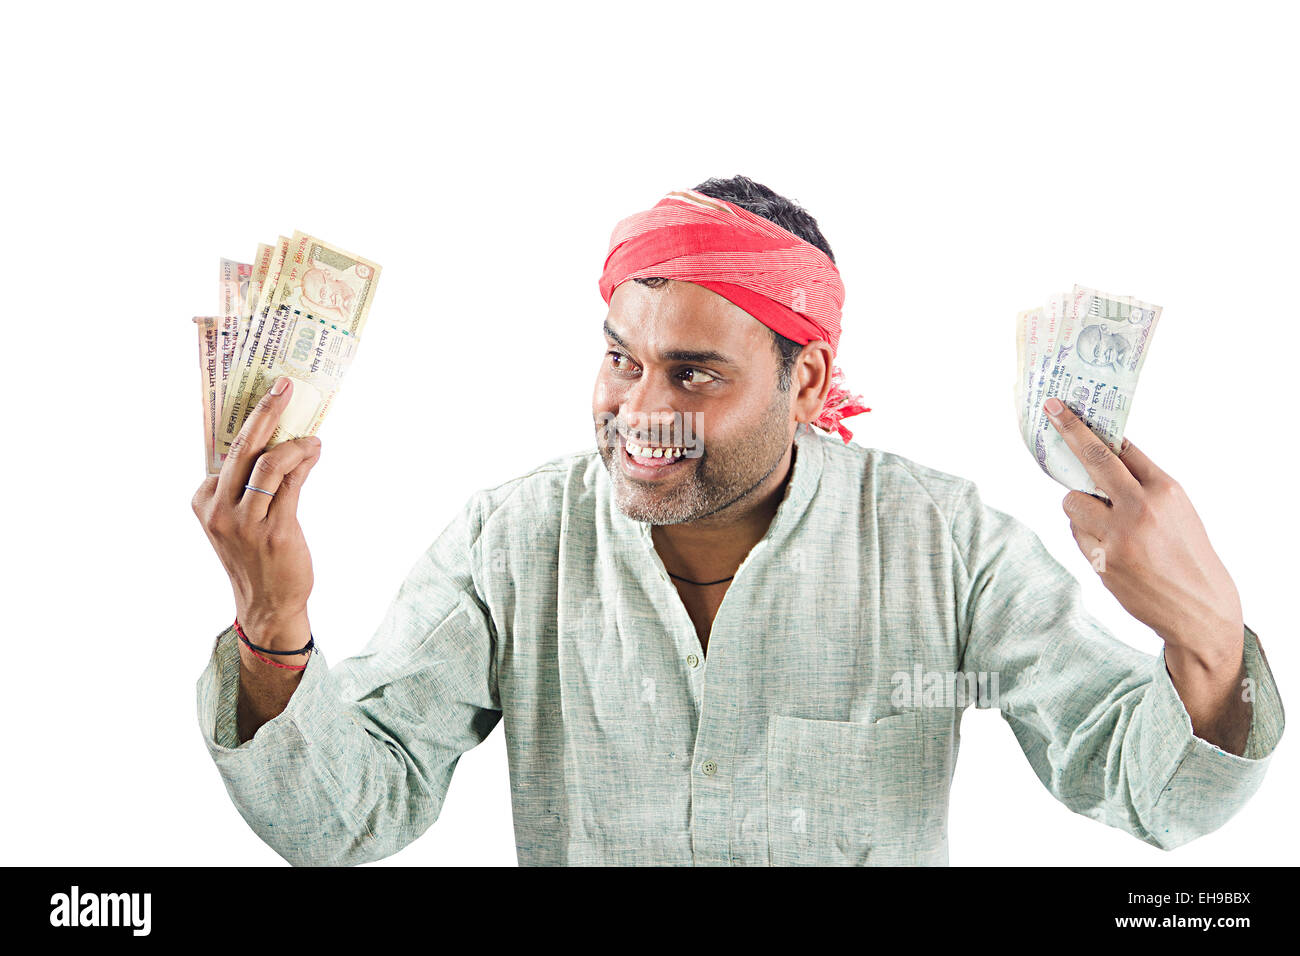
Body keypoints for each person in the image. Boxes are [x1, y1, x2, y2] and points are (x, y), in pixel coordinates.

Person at [191, 175, 1283, 866]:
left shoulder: (942, 543)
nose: (640, 412)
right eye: (620, 358)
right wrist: (272, 615)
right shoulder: (510, 543)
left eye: (696, 372)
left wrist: (1203, 632)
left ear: (806, 382)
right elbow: (342, 819)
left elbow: (1151, 795)